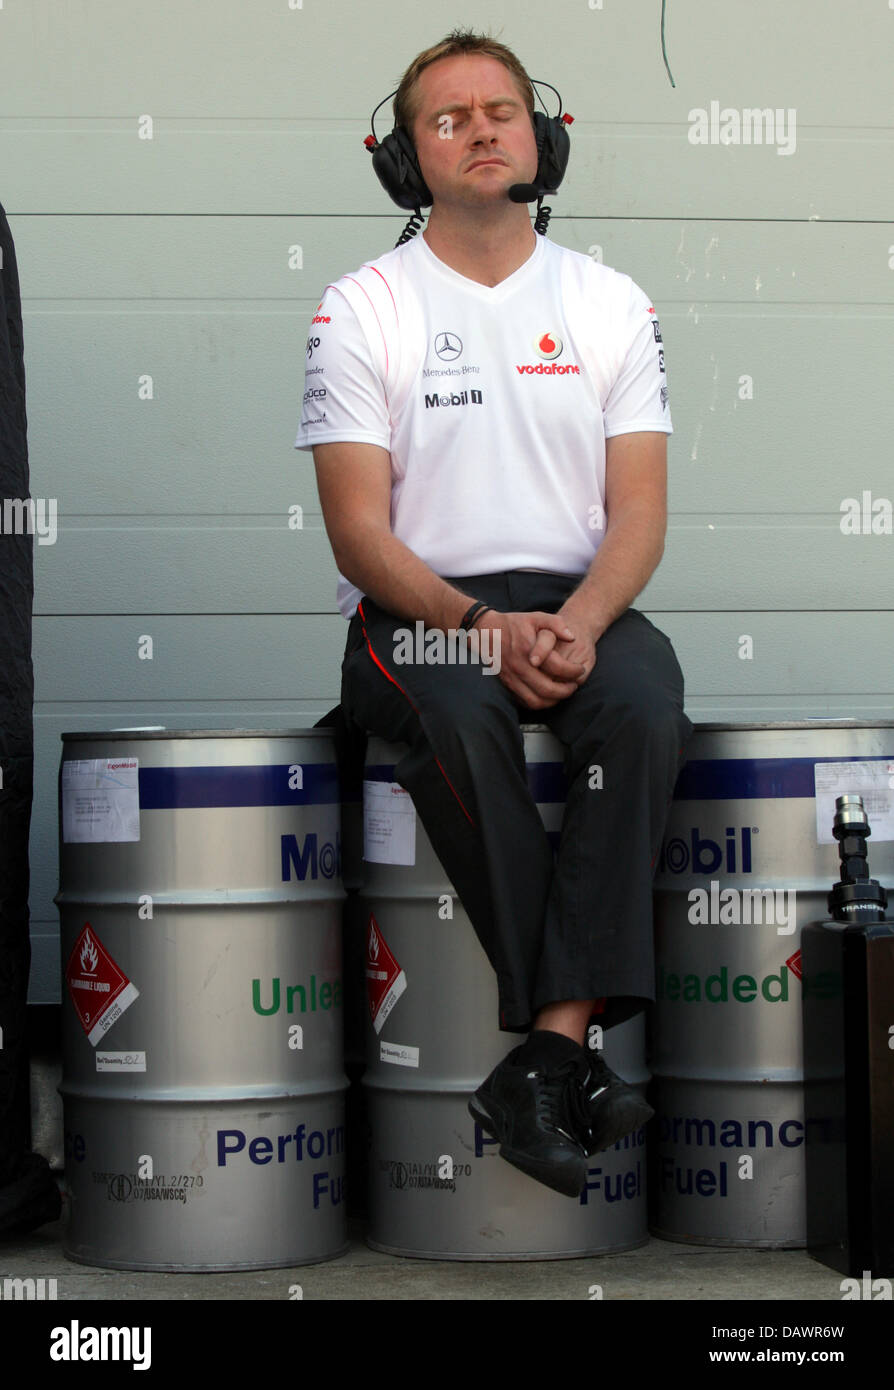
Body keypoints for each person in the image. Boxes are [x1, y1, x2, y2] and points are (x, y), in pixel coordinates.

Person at [295, 29, 692, 1199]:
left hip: (580, 601)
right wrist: (479, 623)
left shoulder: (612, 301)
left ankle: (547, 1052)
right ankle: (572, 1045)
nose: (480, 129)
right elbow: (360, 532)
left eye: (501, 110)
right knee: (461, 717)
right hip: (417, 613)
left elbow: (640, 515)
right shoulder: (360, 306)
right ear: (406, 160)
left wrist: (578, 617)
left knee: (646, 704)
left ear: (543, 137)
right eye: (447, 116)